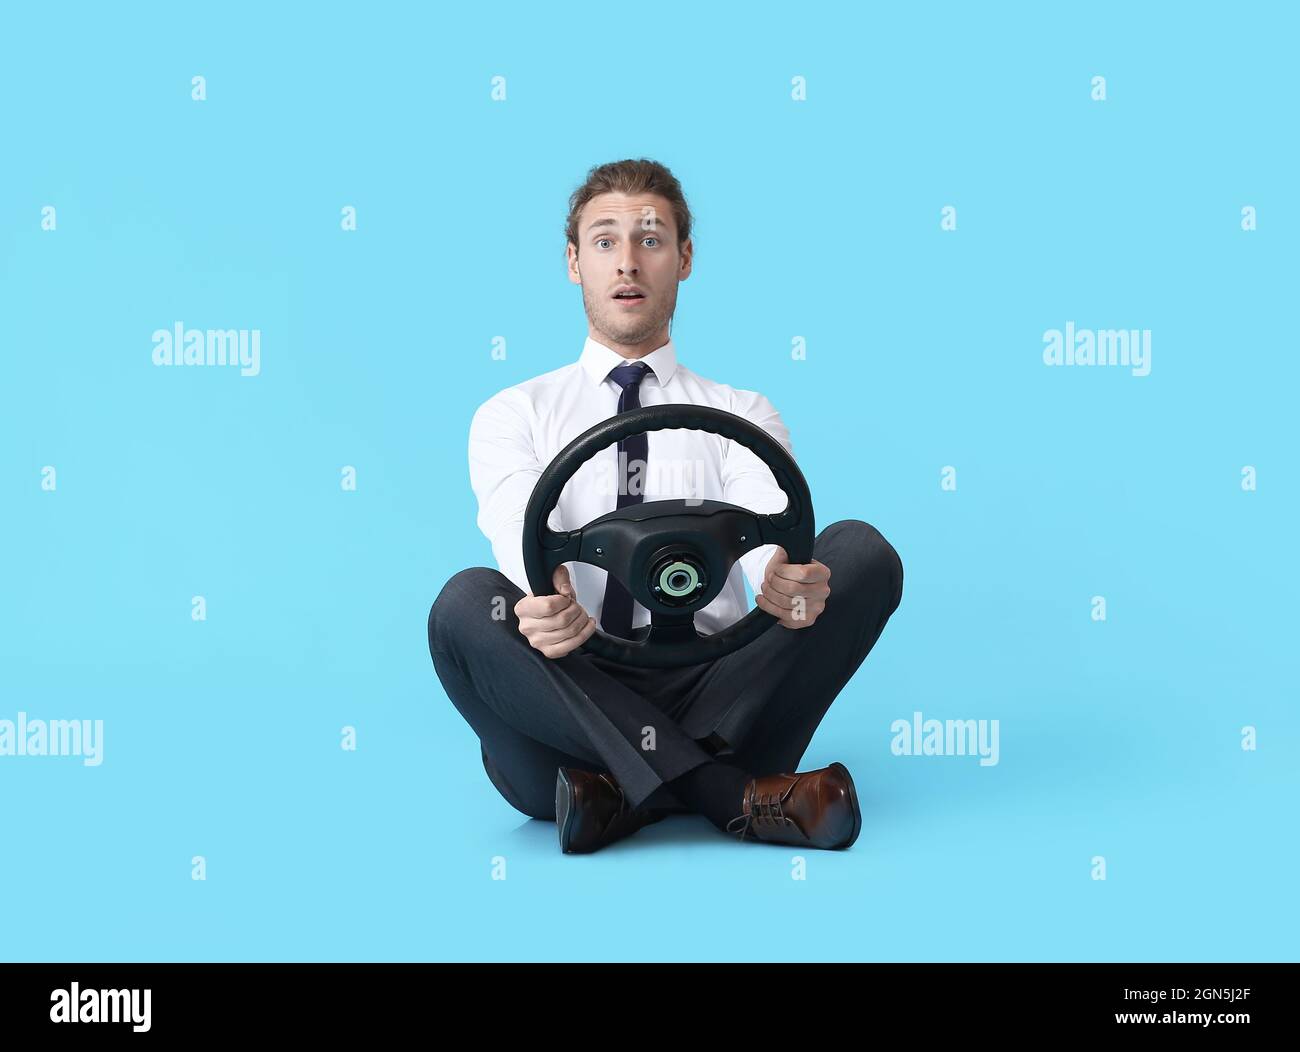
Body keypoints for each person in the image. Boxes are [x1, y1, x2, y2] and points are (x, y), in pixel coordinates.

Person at [428, 158, 903, 854]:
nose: (627, 262)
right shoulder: (513, 413)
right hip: (570, 697)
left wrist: (786, 578)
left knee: (861, 553)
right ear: (572, 262)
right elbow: (515, 521)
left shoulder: (742, 412)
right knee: (466, 603)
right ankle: (729, 797)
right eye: (604, 241)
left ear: (683, 259)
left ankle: (627, 796)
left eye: (650, 240)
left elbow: (773, 520)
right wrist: (548, 595)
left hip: (724, 689)